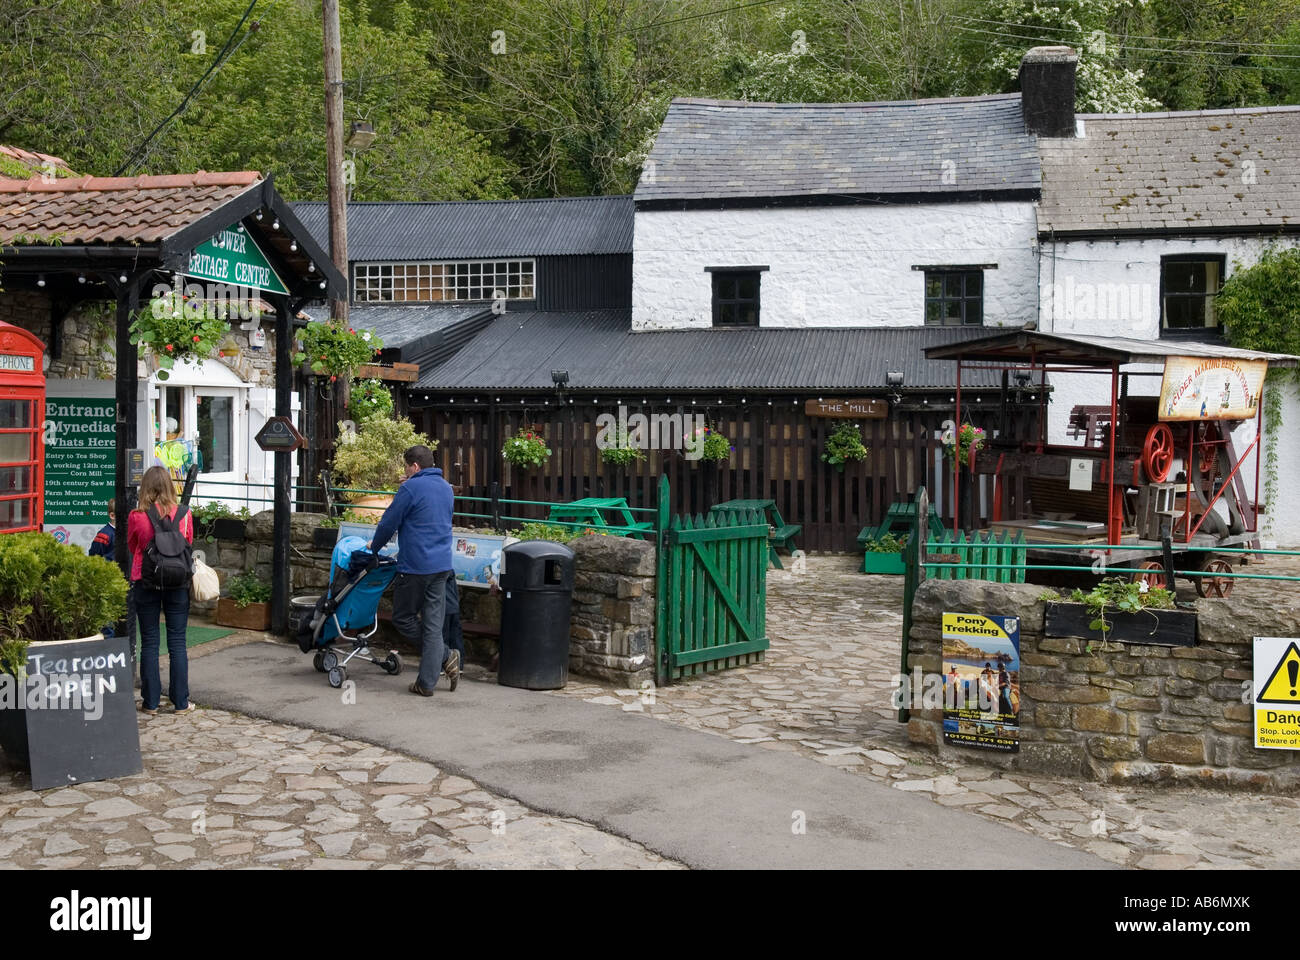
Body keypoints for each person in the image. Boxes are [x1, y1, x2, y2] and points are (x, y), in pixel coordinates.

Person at [370, 445, 460, 697]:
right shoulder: (445, 488)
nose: (404, 471)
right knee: (433, 627)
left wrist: (374, 548)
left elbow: (389, 522)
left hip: (416, 566)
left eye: (406, 467)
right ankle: (427, 681)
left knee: (403, 618)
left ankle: (444, 654)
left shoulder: (409, 488)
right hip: (442, 566)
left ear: (415, 467)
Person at [128, 466, 195, 715]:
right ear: (169, 486)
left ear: (145, 487)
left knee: (150, 642)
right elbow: (187, 543)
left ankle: (151, 703)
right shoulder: (185, 514)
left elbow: (133, 545)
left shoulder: (137, 516)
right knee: (178, 642)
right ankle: (180, 702)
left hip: (146, 581)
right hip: (178, 582)